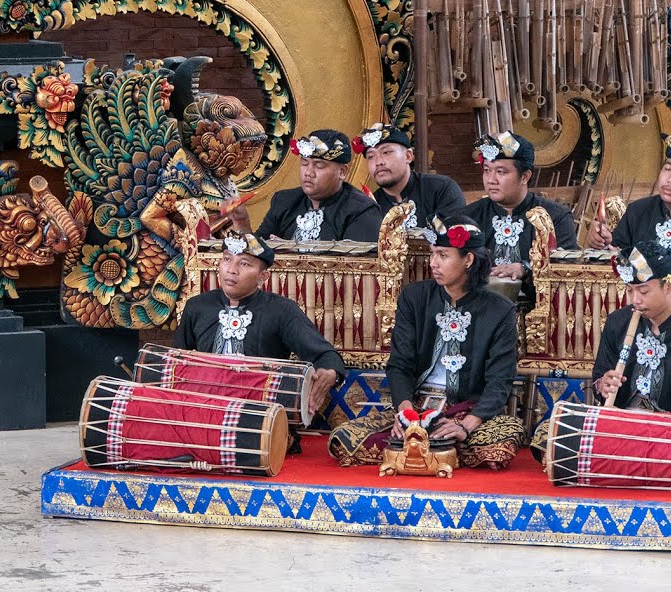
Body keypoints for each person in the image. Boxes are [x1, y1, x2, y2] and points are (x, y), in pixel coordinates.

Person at [327, 214, 527, 470]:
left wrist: (465, 426)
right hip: (417, 408)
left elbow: (500, 381)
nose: (433, 263)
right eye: (433, 254)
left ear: (468, 259)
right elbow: (399, 365)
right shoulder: (415, 298)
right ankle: (438, 451)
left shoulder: (499, 310)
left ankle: (425, 448)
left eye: (443, 255)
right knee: (344, 441)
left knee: (500, 445)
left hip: (467, 410)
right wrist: (405, 412)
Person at [530, 240, 671, 462]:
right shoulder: (618, 322)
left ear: (669, 286)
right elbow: (600, 379)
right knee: (548, 434)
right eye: (630, 291)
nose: (636, 300)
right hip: (617, 424)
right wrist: (604, 384)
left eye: (644, 291)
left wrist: (649, 423)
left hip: (666, 432)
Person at [174, 232, 348, 449]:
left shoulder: (281, 311)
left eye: (244, 264)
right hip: (203, 413)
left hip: (258, 416)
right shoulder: (197, 307)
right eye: (227, 259)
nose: (231, 269)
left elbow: (326, 355)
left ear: (263, 277)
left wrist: (330, 372)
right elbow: (177, 362)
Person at [462, 131, 578, 305]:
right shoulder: (469, 217)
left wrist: (526, 268)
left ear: (525, 176)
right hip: (481, 312)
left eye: (501, 172)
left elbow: (567, 273)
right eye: (487, 171)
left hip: (539, 313)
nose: (491, 180)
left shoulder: (556, 217)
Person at [228, 129, 381, 242]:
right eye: (304, 163)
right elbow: (256, 255)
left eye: (319, 166)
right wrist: (241, 223)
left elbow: (357, 268)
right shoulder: (284, 201)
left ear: (342, 171)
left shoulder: (361, 210)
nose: (308, 172)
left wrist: (289, 253)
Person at [351, 121, 465, 230]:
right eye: (371, 156)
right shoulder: (369, 207)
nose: (378, 162)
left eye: (386, 152)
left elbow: (453, 241)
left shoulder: (441, 189)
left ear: (408, 156)